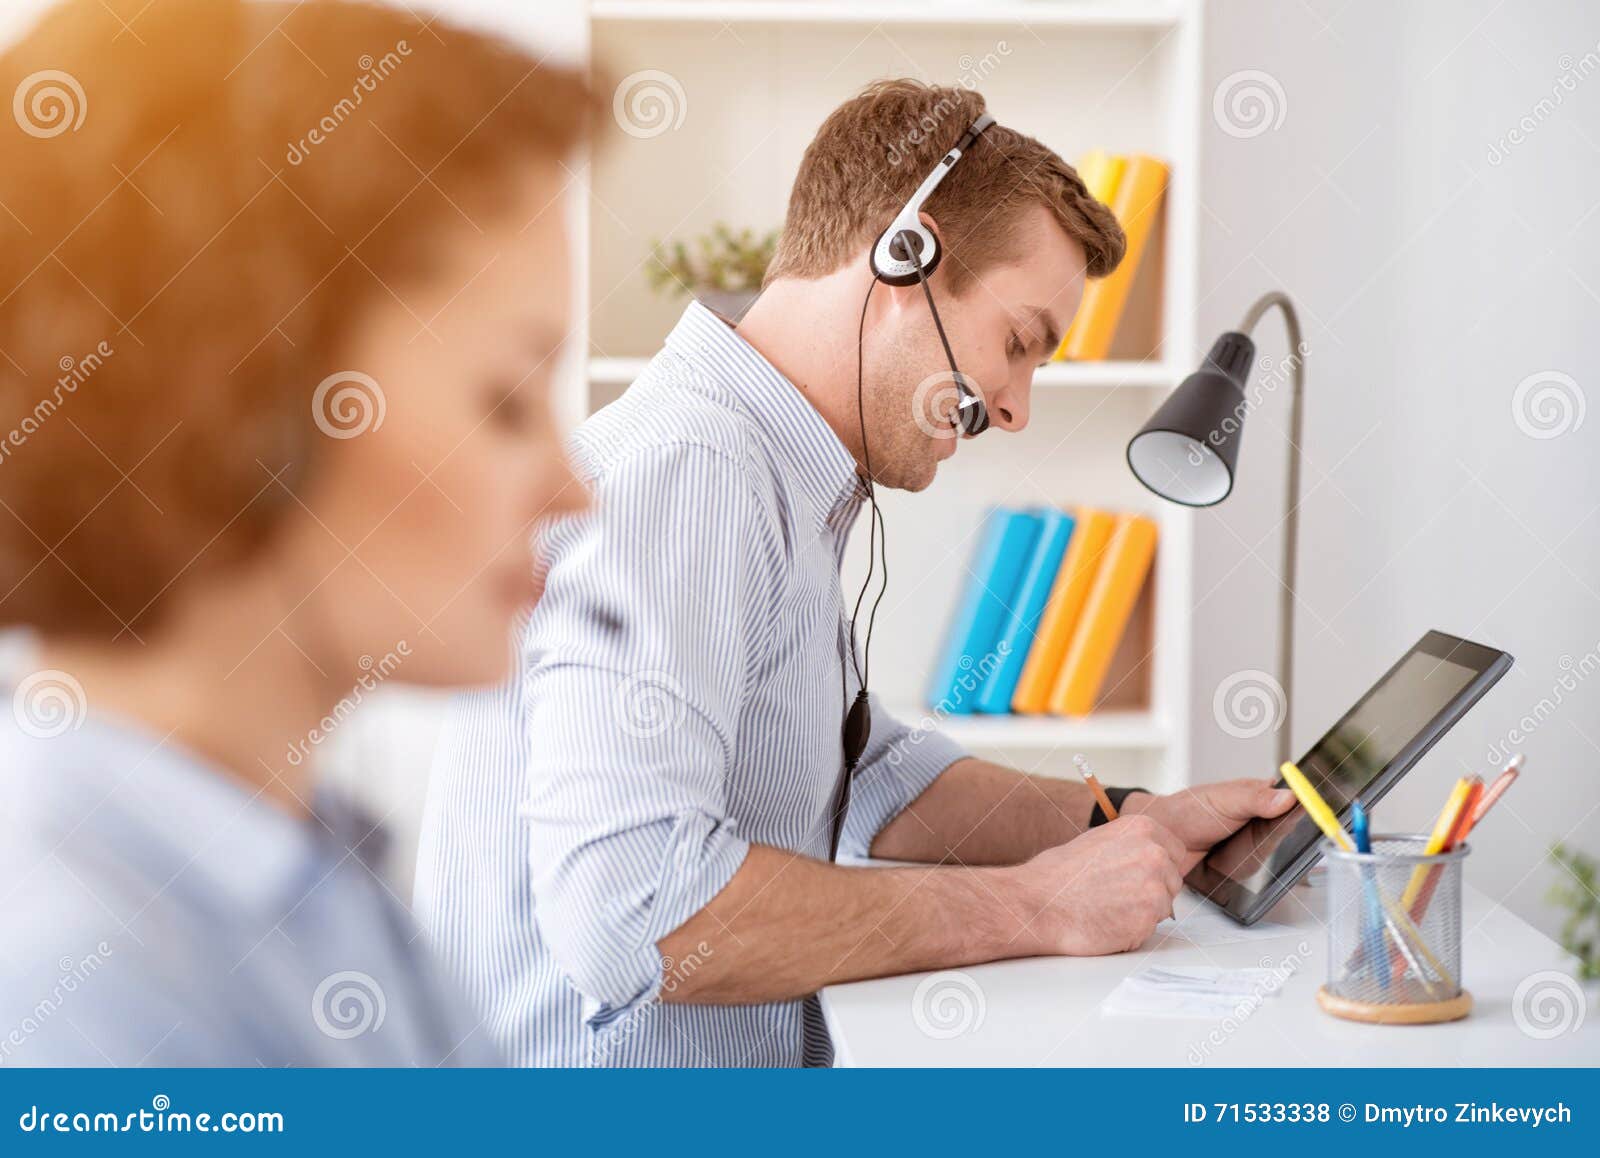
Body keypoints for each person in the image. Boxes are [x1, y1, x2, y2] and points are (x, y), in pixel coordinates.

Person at [415, 79, 1295, 1067]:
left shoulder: (771, 475)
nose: (1013, 410)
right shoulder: (693, 474)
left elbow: (867, 776)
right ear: (901, 254)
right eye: (1017, 345)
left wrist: (1135, 819)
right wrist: (1033, 904)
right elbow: (636, 909)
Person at [0, 0, 590, 1065]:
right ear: (245, 404)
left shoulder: (289, 861)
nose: (571, 494)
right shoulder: (82, 998)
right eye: (504, 397)